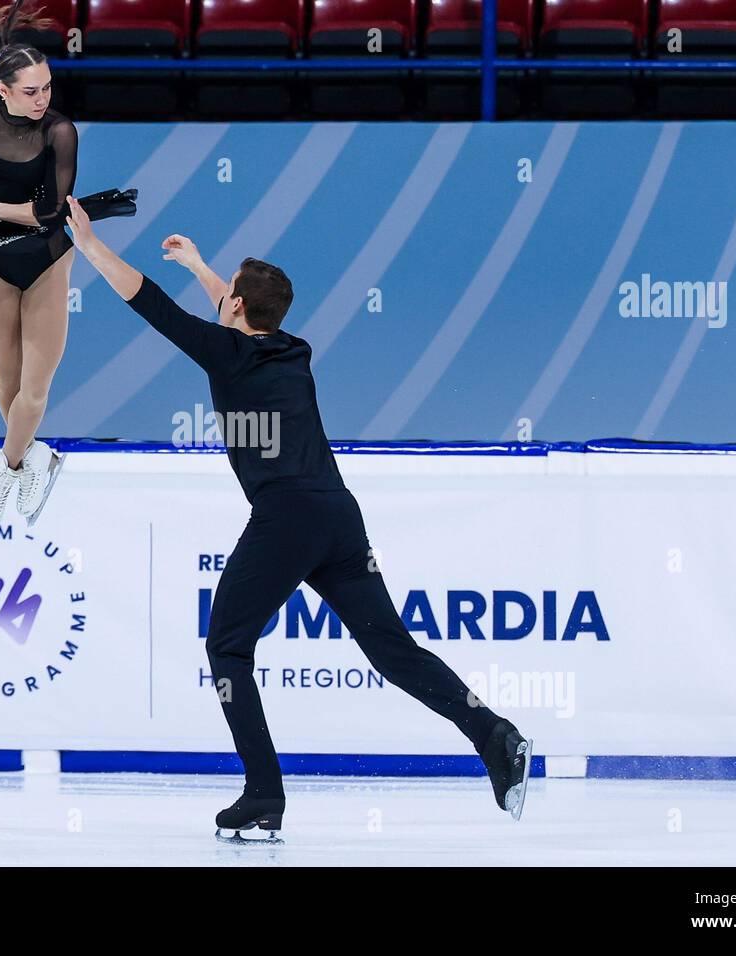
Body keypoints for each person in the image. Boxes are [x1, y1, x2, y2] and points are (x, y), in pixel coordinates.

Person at [63, 194, 533, 842]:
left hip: (285, 517)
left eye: (224, 292)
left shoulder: (226, 353)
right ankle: (495, 734)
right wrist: (201, 265)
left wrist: (90, 247)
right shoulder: (292, 348)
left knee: (227, 645)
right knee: (393, 652)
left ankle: (264, 791)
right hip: (339, 515)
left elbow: (151, 304)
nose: (220, 298)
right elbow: (235, 311)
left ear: (235, 308)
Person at [0, 0, 75, 529]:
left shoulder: (60, 132)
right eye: (31, 91)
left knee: (35, 385)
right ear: (2, 91)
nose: (42, 99)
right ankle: (36, 459)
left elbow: (52, 212)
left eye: (48, 88)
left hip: (48, 260)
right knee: (5, 379)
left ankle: (2, 469)